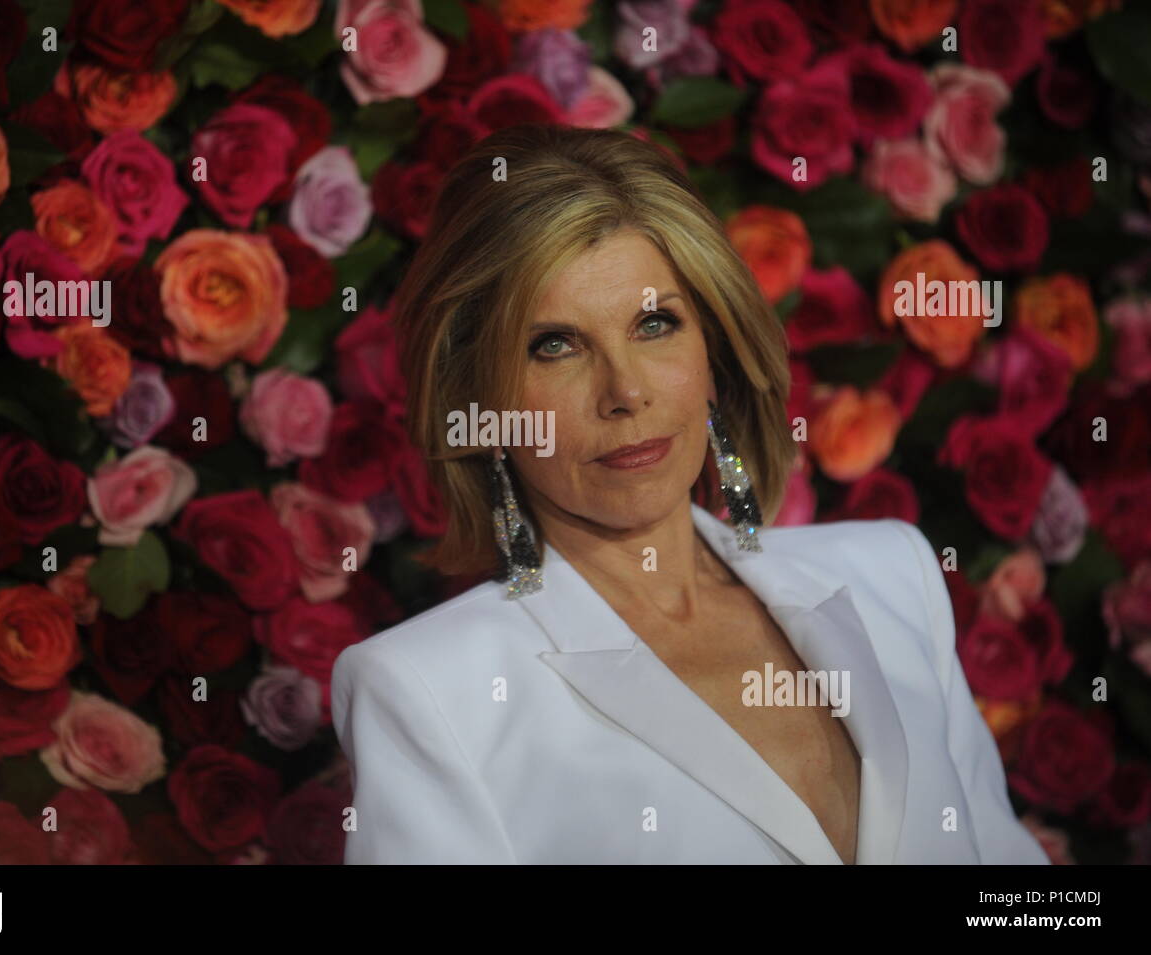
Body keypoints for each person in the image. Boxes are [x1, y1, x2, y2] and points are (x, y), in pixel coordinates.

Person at [331, 123, 1049, 865]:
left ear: (714, 347)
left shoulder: (889, 573)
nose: (625, 390)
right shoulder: (429, 693)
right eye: (555, 344)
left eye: (654, 324)